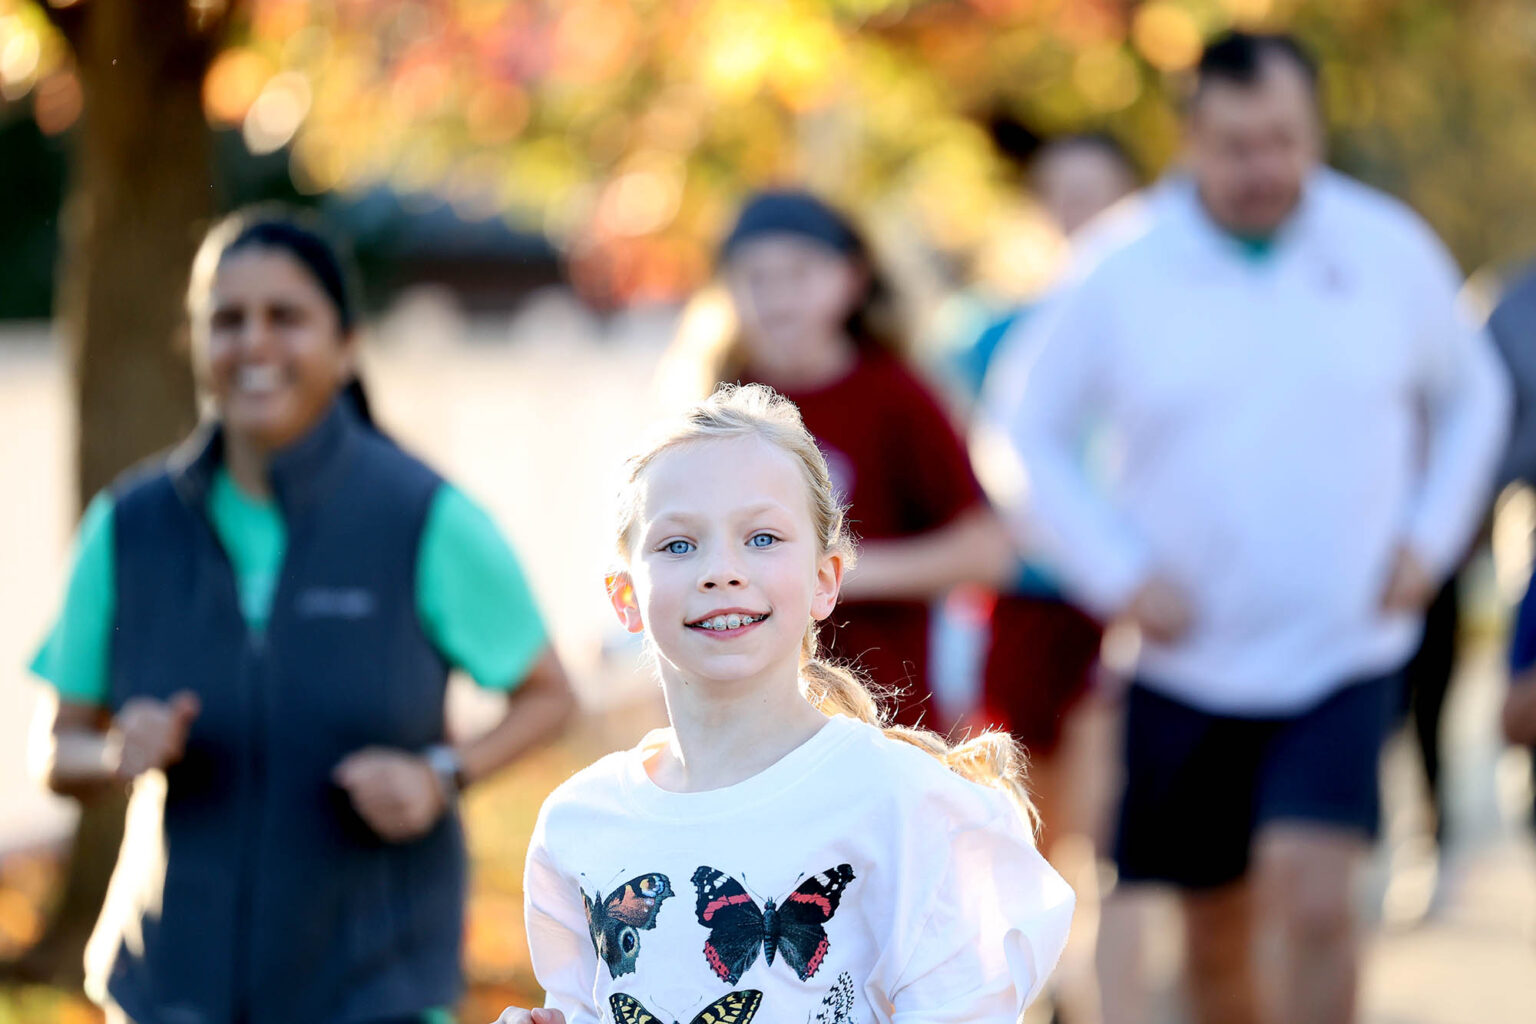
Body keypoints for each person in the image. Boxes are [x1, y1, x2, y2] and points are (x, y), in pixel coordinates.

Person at [989, 31, 1510, 1024]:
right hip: (1187, 659)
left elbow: (1473, 397)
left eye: (1283, 139)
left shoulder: (1384, 247)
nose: (1263, 166)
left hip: (1345, 642)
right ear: (1191, 138)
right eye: (1236, 145)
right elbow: (1020, 430)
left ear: (1312, 131)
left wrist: (1429, 540)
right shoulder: (1124, 268)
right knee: (1213, 933)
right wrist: (1116, 570)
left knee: (1315, 897)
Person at [27, 207, 576, 1024]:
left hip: (374, 991)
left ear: (346, 343)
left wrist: (440, 776)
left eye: (286, 317)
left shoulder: (424, 517)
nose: (254, 343)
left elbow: (549, 695)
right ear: (197, 342)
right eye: (227, 320)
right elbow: (57, 750)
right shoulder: (129, 525)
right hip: (167, 988)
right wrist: (115, 751)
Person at [493, 383, 1074, 1024]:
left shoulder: (906, 807)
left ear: (825, 580)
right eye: (678, 545)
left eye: (762, 538)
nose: (722, 570)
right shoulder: (581, 823)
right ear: (625, 595)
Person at [662, 190, 1014, 727]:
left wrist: (823, 573)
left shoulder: (898, 397)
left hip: (885, 713)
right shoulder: (714, 400)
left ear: (852, 279)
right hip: (742, 716)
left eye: (800, 274)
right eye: (755, 277)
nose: (778, 296)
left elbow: (985, 553)